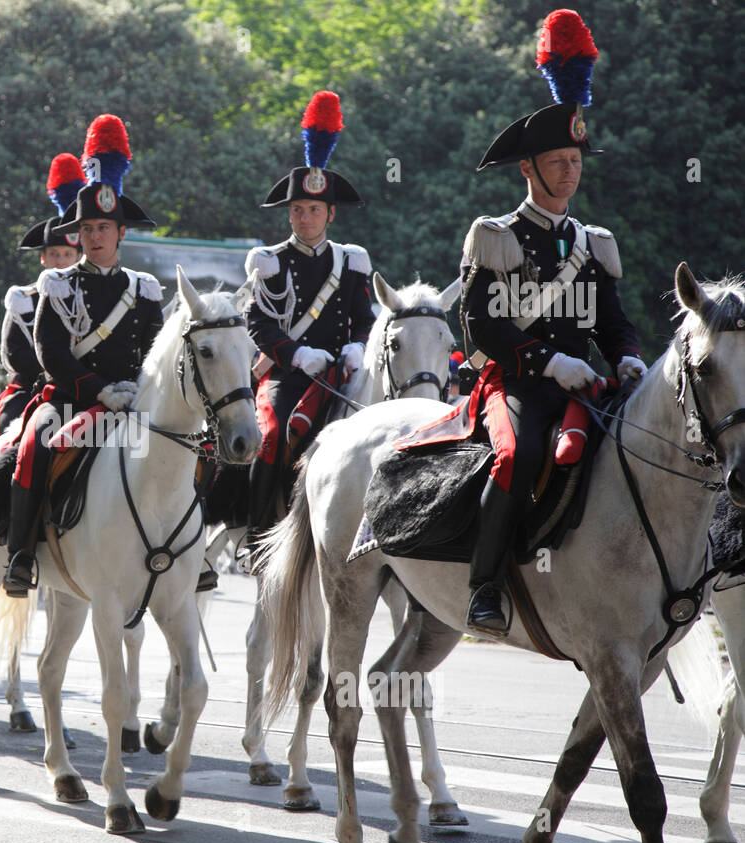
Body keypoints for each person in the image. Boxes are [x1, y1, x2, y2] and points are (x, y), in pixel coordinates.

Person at [412, 10, 643, 631]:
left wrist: (624, 355)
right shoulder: (496, 236)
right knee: (518, 457)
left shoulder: (594, 243)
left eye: (576, 159)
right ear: (528, 169)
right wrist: (549, 360)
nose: (570, 170)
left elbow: (613, 322)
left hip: (584, 384)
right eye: (558, 160)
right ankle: (484, 588)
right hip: (518, 385)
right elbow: (482, 329)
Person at [2, 114, 163, 596]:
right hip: (71, 401)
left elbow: (155, 351)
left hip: (131, 401)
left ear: (122, 233)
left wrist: (134, 389)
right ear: (78, 234)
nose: (95, 236)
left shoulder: (146, 289)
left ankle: (186, 553)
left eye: (105, 227)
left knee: (182, 447)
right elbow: (50, 351)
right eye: (88, 228)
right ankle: (21, 554)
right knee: (34, 444)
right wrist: (97, 391)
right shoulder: (56, 284)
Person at [242, 91, 373, 550]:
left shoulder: (352, 260)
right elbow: (256, 322)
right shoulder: (268, 261)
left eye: (313, 209)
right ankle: (257, 536)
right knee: (273, 436)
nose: (304, 217)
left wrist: (358, 345)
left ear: (330, 213)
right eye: (297, 210)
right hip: (287, 376)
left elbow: (364, 318)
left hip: (340, 373)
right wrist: (296, 353)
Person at [0, 153, 83, 441]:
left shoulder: (87, 298)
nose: (61, 261)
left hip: (81, 390)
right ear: (43, 258)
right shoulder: (23, 298)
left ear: (78, 256)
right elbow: (14, 353)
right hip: (31, 389)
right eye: (54, 255)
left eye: (67, 255)